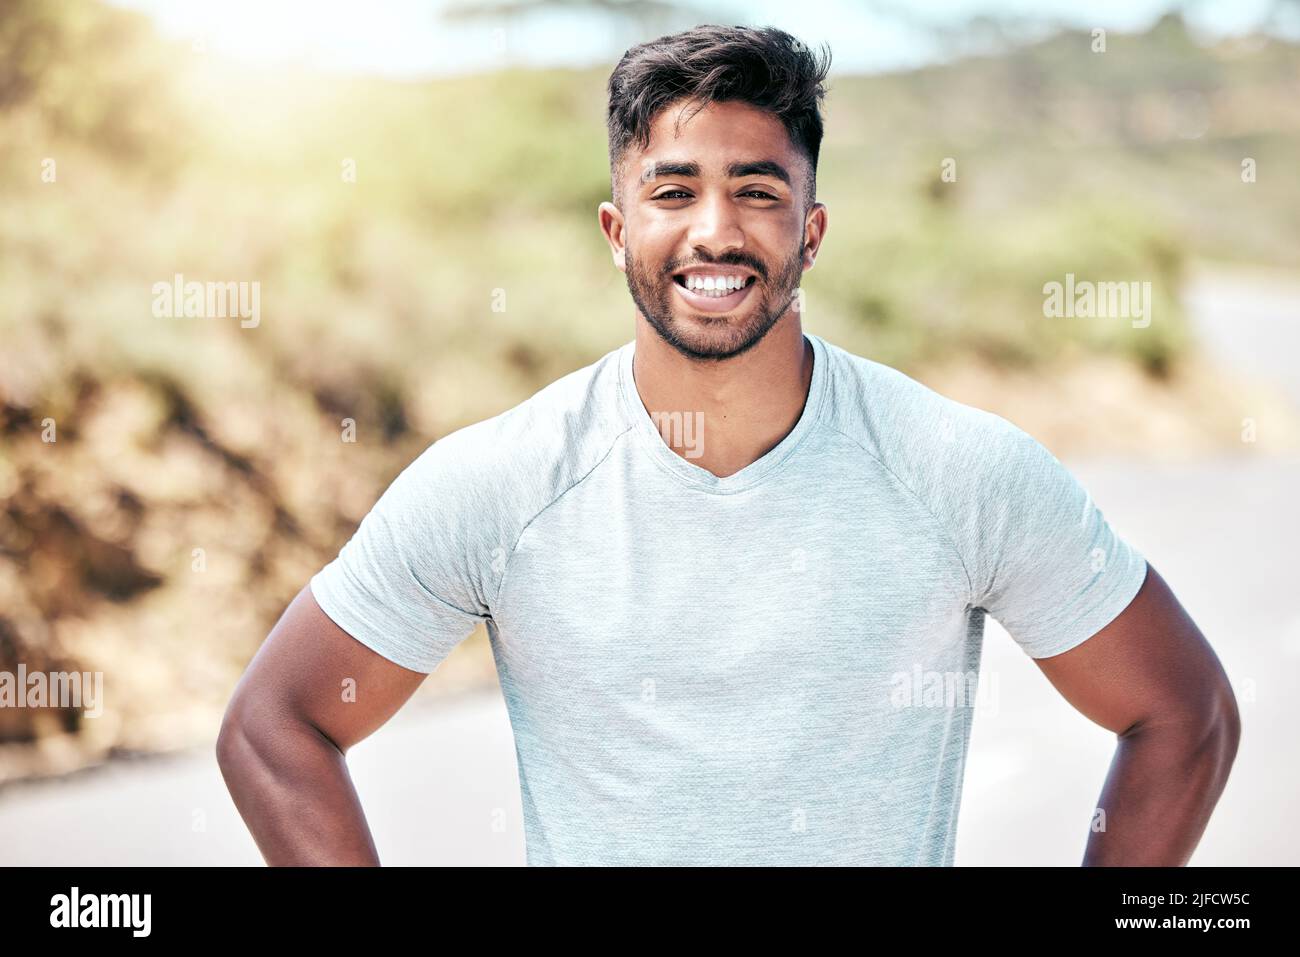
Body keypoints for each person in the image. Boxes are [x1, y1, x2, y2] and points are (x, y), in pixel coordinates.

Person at [217, 24, 1239, 866]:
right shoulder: (502, 482)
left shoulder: (957, 469)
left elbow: (1184, 714)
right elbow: (274, 727)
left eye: (757, 190)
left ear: (811, 232)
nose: (714, 230)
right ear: (617, 230)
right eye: (673, 192)